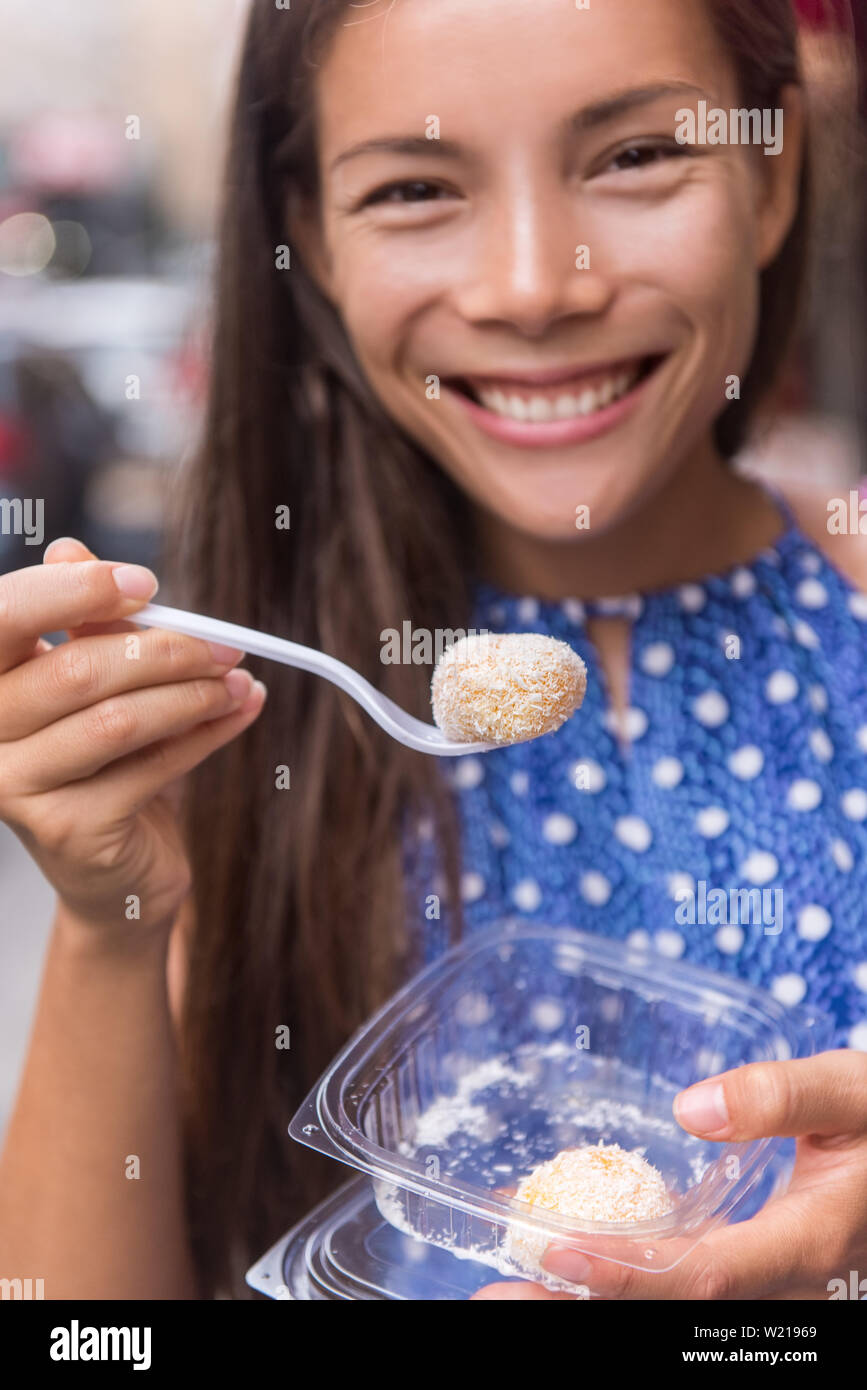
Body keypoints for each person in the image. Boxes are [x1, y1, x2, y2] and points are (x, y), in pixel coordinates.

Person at [1, 0, 865, 1301]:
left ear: (773, 169)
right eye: (414, 185)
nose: (531, 286)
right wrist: (113, 916)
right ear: (312, 241)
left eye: (633, 156)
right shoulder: (249, 716)